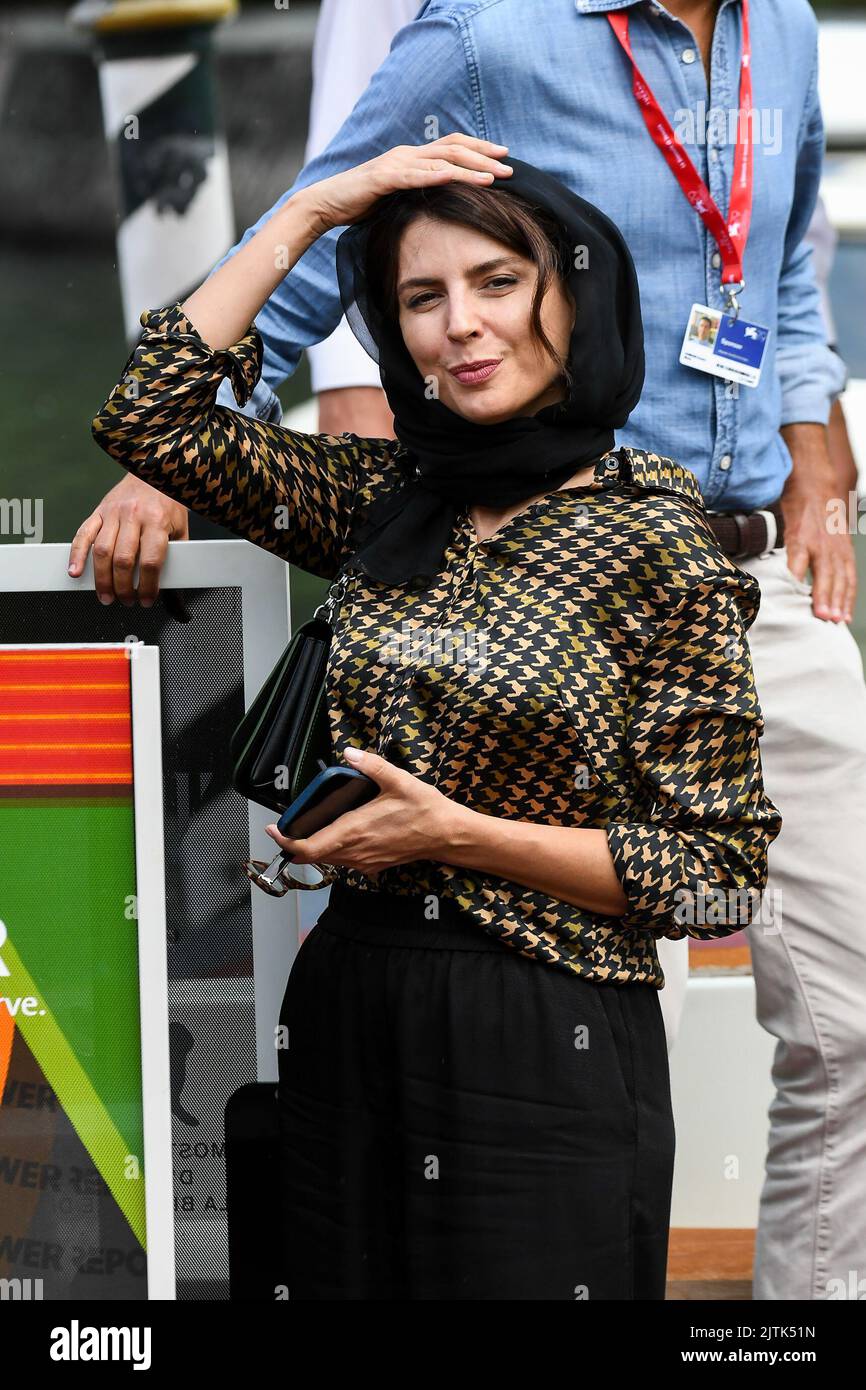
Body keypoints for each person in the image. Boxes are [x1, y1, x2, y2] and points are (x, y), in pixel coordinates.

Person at [73, 0, 866, 1301]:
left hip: (711, 568)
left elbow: (778, 266)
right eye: (424, 300)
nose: (459, 325)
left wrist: (814, 447)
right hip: (384, 1013)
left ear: (568, 292)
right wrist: (316, 212)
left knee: (799, 1035)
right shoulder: (387, 491)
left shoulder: (773, 30)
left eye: (499, 284)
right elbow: (152, 406)